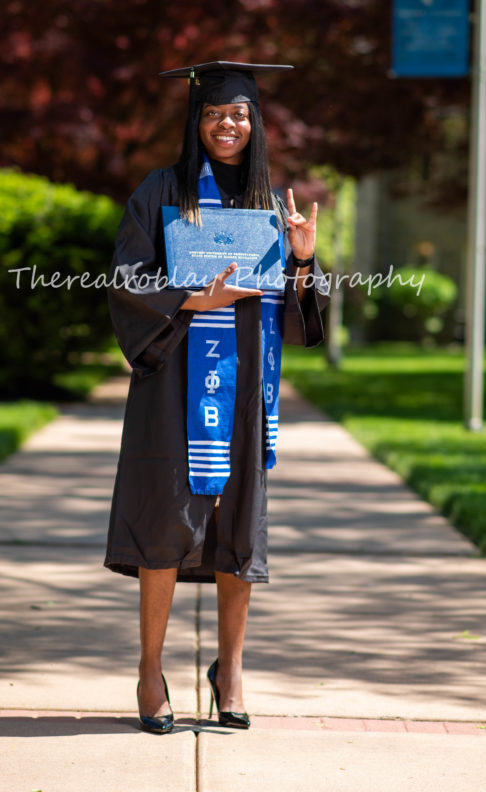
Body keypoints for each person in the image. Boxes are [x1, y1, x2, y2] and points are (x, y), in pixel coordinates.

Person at [104, 61, 329, 734]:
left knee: (237, 525)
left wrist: (302, 260)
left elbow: (301, 311)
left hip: (243, 390)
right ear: (195, 122)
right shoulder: (161, 190)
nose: (225, 125)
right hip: (173, 382)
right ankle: (149, 671)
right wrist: (193, 300)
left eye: (237, 114)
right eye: (212, 114)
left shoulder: (270, 201)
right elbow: (125, 277)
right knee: (165, 516)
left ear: (254, 122)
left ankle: (228, 670)